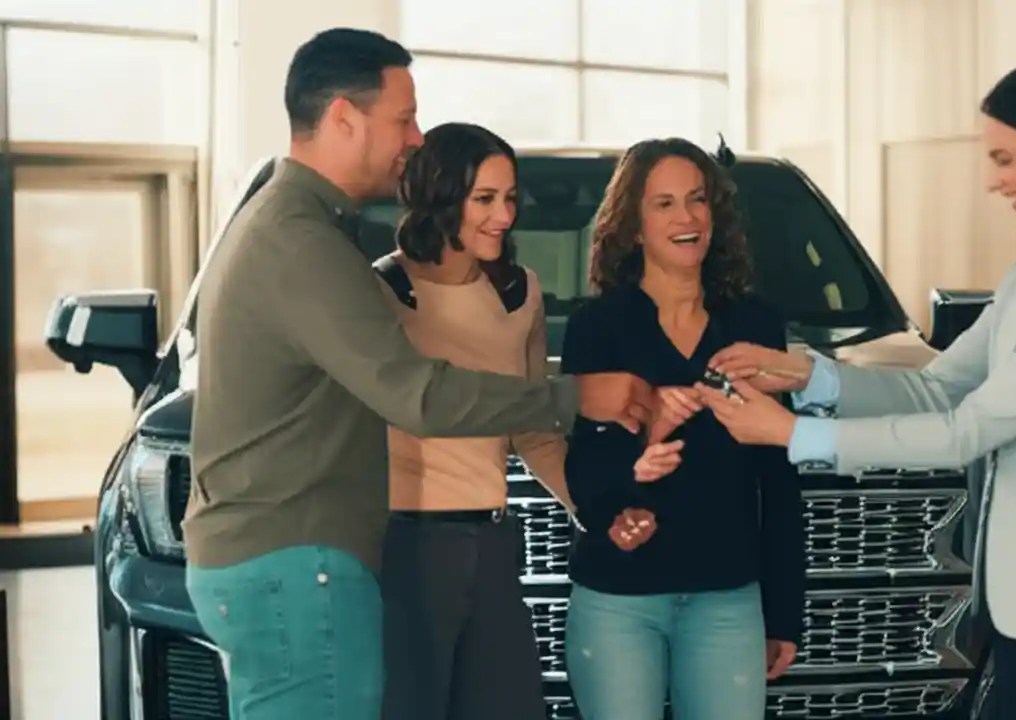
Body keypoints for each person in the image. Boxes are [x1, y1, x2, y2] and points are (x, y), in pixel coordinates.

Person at [696, 57, 1016, 720]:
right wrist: (811, 374)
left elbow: (970, 430)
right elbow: (940, 389)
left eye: (1005, 159)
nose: (993, 180)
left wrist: (794, 434)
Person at [182, 29, 651, 720]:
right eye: (403, 118)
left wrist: (593, 503)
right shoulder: (304, 244)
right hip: (301, 564)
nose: (415, 137)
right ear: (344, 118)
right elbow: (418, 395)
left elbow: (507, 428)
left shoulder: (297, 228)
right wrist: (574, 395)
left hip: (313, 561)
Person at [558, 137, 806, 720]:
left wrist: (784, 613)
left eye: (697, 199)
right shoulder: (597, 327)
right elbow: (581, 469)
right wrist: (634, 466)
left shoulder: (754, 325)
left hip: (727, 600)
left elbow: (779, 478)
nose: (687, 218)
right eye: (664, 204)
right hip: (618, 601)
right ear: (634, 225)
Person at [373, 122, 577, 719]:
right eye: (485, 199)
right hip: (404, 545)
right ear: (441, 195)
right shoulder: (381, 291)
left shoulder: (520, 292)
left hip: (493, 541)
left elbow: (534, 428)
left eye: (509, 198)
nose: (504, 216)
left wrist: (598, 509)